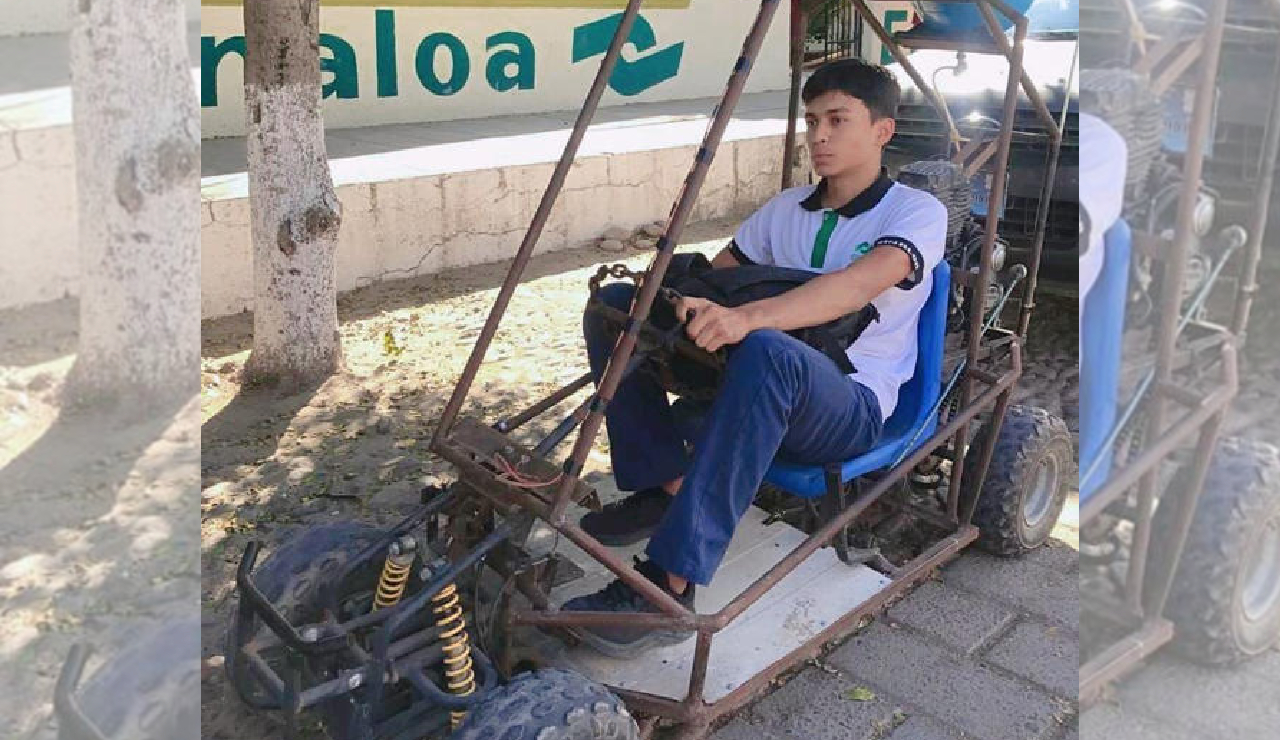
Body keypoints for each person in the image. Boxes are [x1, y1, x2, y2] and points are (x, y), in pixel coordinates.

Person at [563, 59, 949, 658]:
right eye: (813, 120)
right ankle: (669, 483)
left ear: (882, 131)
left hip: (849, 403)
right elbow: (721, 278)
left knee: (771, 349)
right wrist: (676, 301)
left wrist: (748, 319)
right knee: (618, 304)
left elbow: (854, 286)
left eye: (838, 120)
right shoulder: (785, 209)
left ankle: (668, 586)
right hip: (758, 382)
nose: (818, 136)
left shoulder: (914, 214)